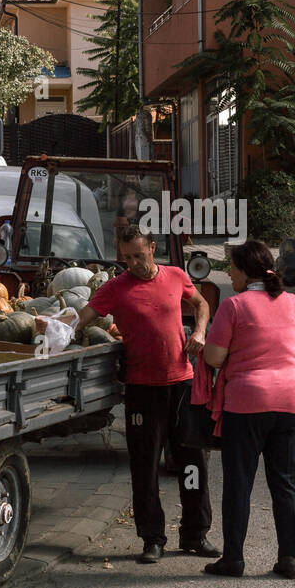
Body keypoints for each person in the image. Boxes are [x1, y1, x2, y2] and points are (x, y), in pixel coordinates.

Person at [77, 224, 220, 564]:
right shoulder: (114, 288)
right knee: (145, 467)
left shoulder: (174, 276)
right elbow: (83, 317)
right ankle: (152, 538)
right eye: (126, 258)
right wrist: (53, 329)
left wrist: (200, 331)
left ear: (152, 248)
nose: (133, 264)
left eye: (138, 256)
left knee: (191, 463)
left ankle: (195, 535)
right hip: (142, 390)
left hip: (182, 383)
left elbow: (200, 304)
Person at [200, 240, 295, 579]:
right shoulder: (290, 301)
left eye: (231, 268)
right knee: (286, 482)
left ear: (246, 271)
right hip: (291, 400)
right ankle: (288, 558)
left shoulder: (234, 306)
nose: (229, 273)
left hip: (247, 403)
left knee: (239, 482)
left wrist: (230, 350)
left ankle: (233, 558)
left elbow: (214, 358)